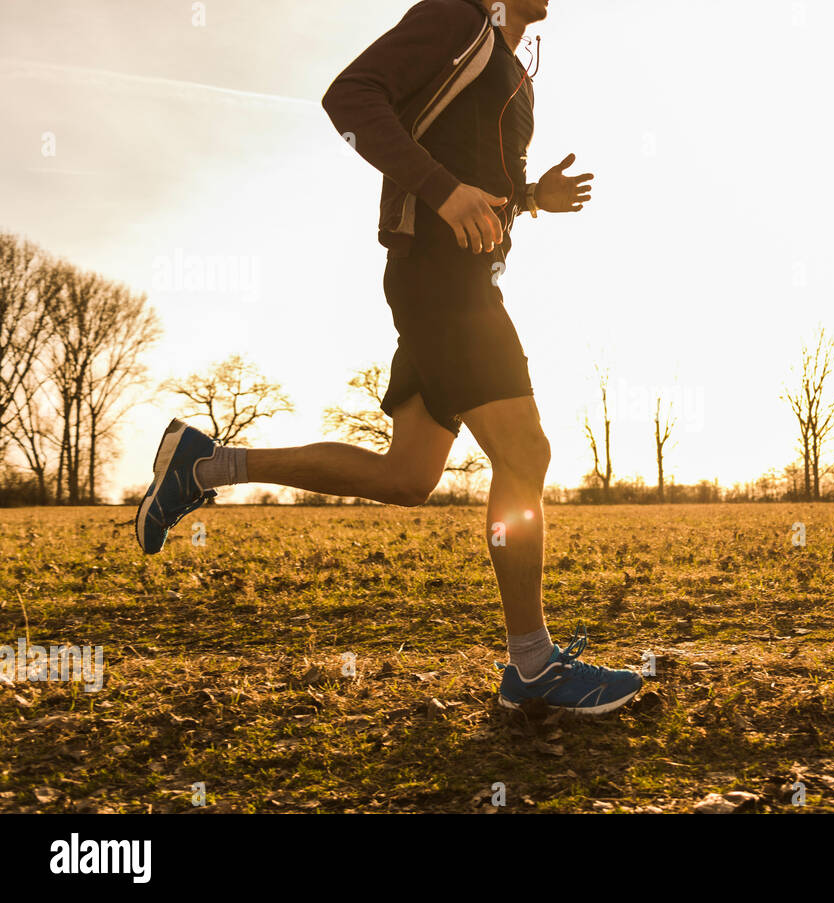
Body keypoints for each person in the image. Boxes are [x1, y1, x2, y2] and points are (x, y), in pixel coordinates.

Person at [135, 0, 642, 716]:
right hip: (442, 283)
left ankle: (205, 464)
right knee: (526, 454)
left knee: (407, 475)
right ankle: (532, 668)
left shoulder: (508, 66)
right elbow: (349, 96)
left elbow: (473, 179)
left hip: (456, 282)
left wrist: (529, 197)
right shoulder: (456, 18)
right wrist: (439, 190)